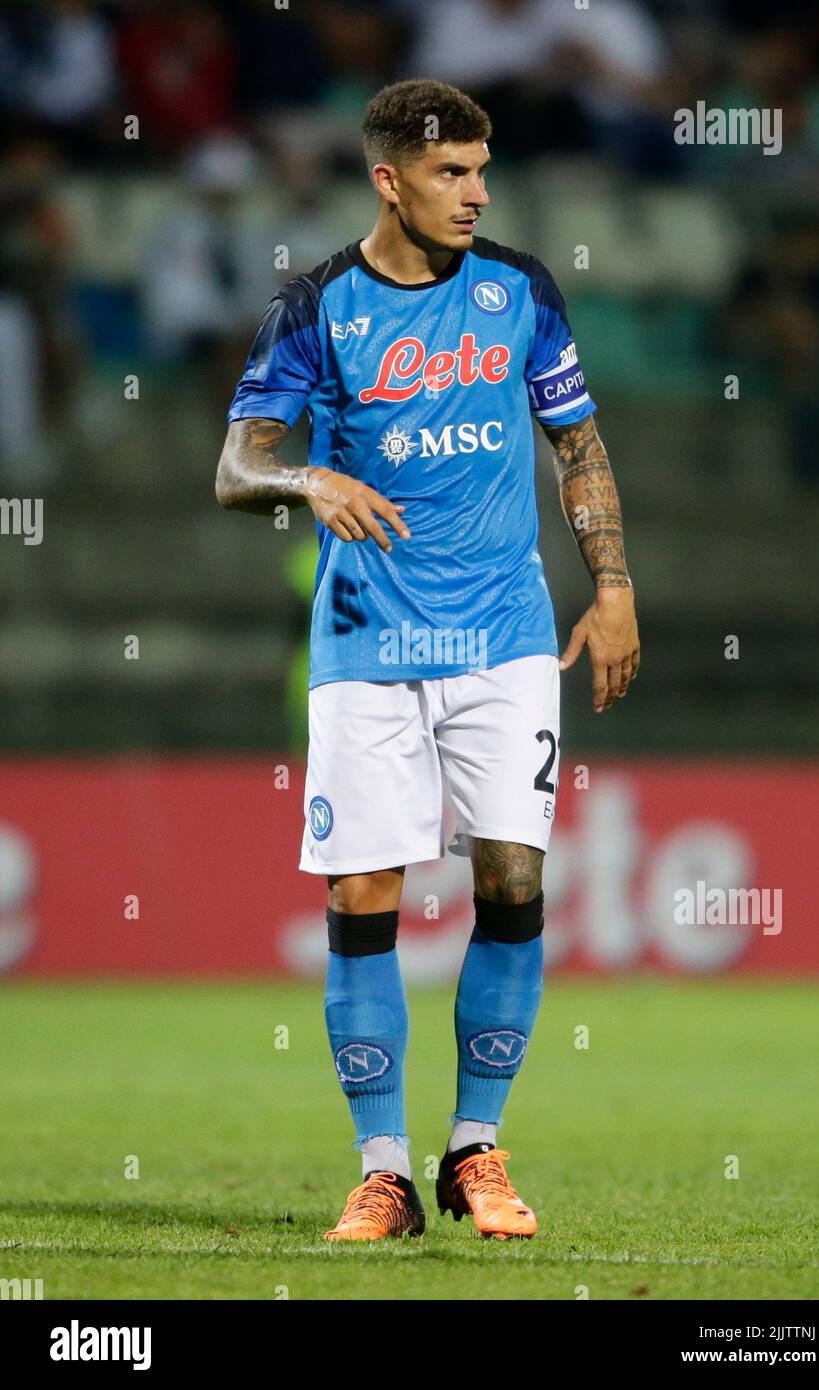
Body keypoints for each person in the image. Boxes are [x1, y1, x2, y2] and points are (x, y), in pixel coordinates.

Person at [215, 78, 640, 1241]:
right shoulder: (314, 311)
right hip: (365, 648)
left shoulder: (517, 292)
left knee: (510, 881)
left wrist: (611, 585)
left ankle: (475, 1148)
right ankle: (383, 1169)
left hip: (502, 637)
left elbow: (577, 442)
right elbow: (236, 466)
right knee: (364, 898)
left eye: (481, 169)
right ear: (387, 178)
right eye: (451, 173)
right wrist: (311, 475)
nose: (476, 192)